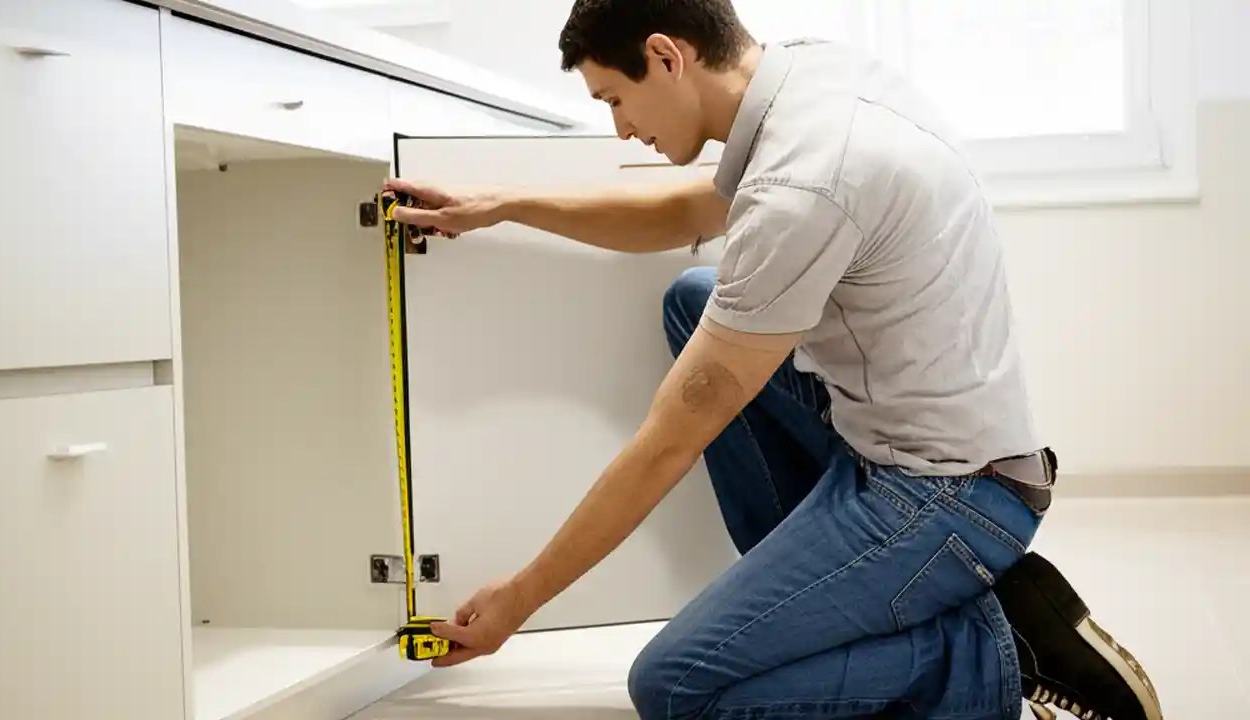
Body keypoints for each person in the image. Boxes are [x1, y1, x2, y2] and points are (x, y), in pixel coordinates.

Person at [384, 1, 1162, 718]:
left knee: (674, 686)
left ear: (665, 56)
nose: (620, 129)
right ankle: (845, 601)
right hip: (920, 442)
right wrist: (505, 205)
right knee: (696, 297)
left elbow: (670, 441)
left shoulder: (805, 181)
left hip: (949, 497)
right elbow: (691, 211)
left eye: (613, 100)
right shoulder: (813, 76)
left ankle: (984, 654)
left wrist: (521, 599)